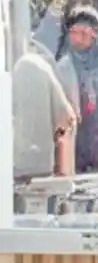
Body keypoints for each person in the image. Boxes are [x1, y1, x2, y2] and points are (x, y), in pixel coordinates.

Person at [54, 5, 98, 174]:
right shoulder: (64, 67)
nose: (79, 39)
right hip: (76, 147)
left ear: (95, 36)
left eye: (85, 34)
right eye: (74, 33)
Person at [12, 38, 76, 181]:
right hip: (40, 170)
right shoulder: (37, 67)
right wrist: (63, 173)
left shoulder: (27, 67)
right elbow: (66, 120)